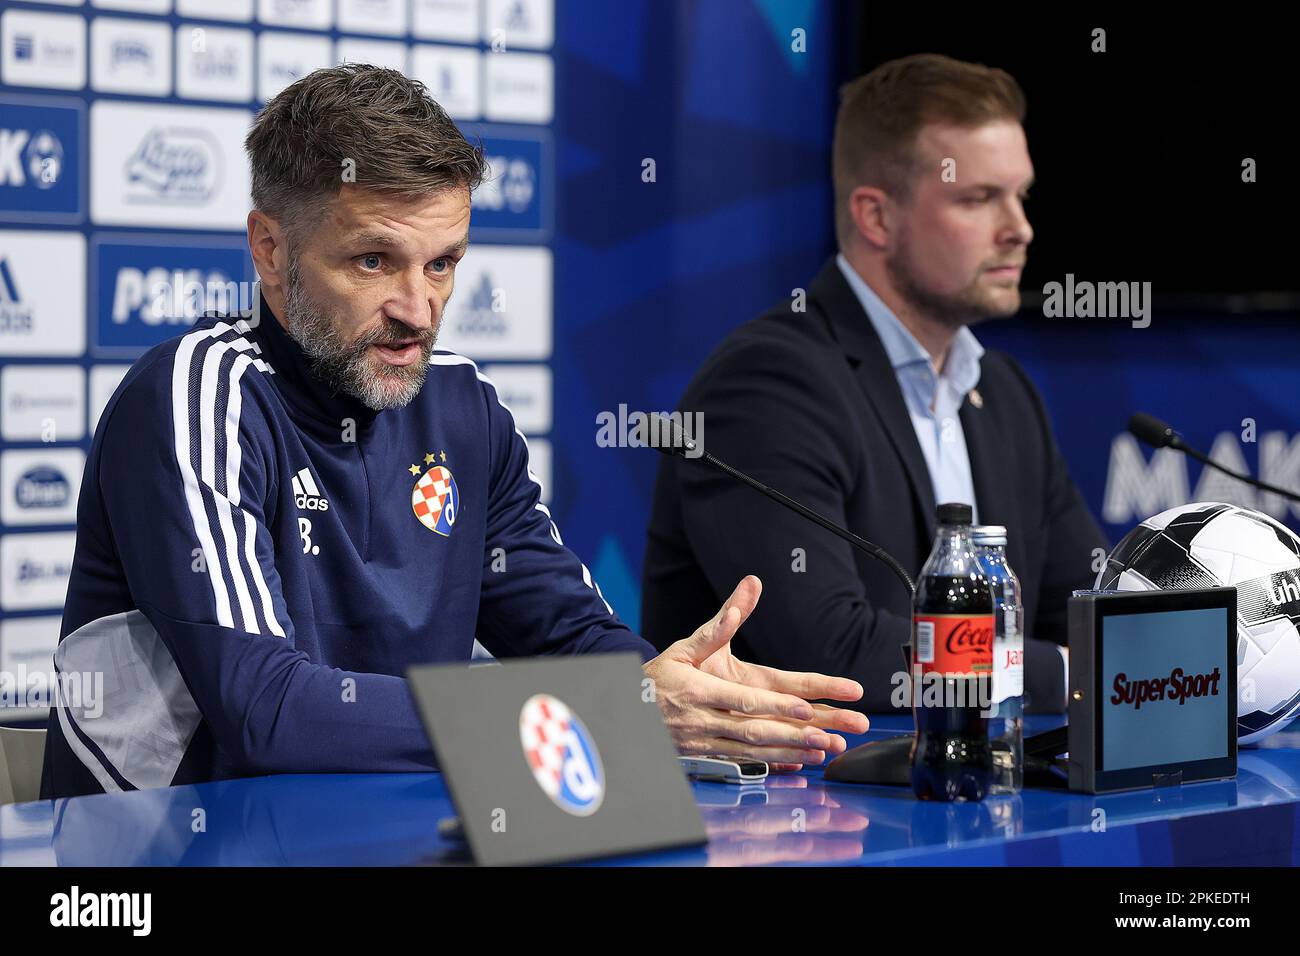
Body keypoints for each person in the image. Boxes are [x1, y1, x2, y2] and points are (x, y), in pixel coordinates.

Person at [42, 65, 867, 799]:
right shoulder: (198, 396)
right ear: (270, 251)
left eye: (442, 263)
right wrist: (619, 711)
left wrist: (676, 688)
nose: (418, 310)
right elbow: (268, 711)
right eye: (373, 262)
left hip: (399, 842)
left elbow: (564, 632)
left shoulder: (463, 406)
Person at [642, 53, 1109, 713]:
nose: (1020, 229)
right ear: (877, 218)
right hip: (801, 804)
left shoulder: (1004, 393)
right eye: (979, 198)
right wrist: (1067, 676)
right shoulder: (766, 386)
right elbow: (830, 650)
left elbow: (1089, 610)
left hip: (988, 796)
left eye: (1020, 195)